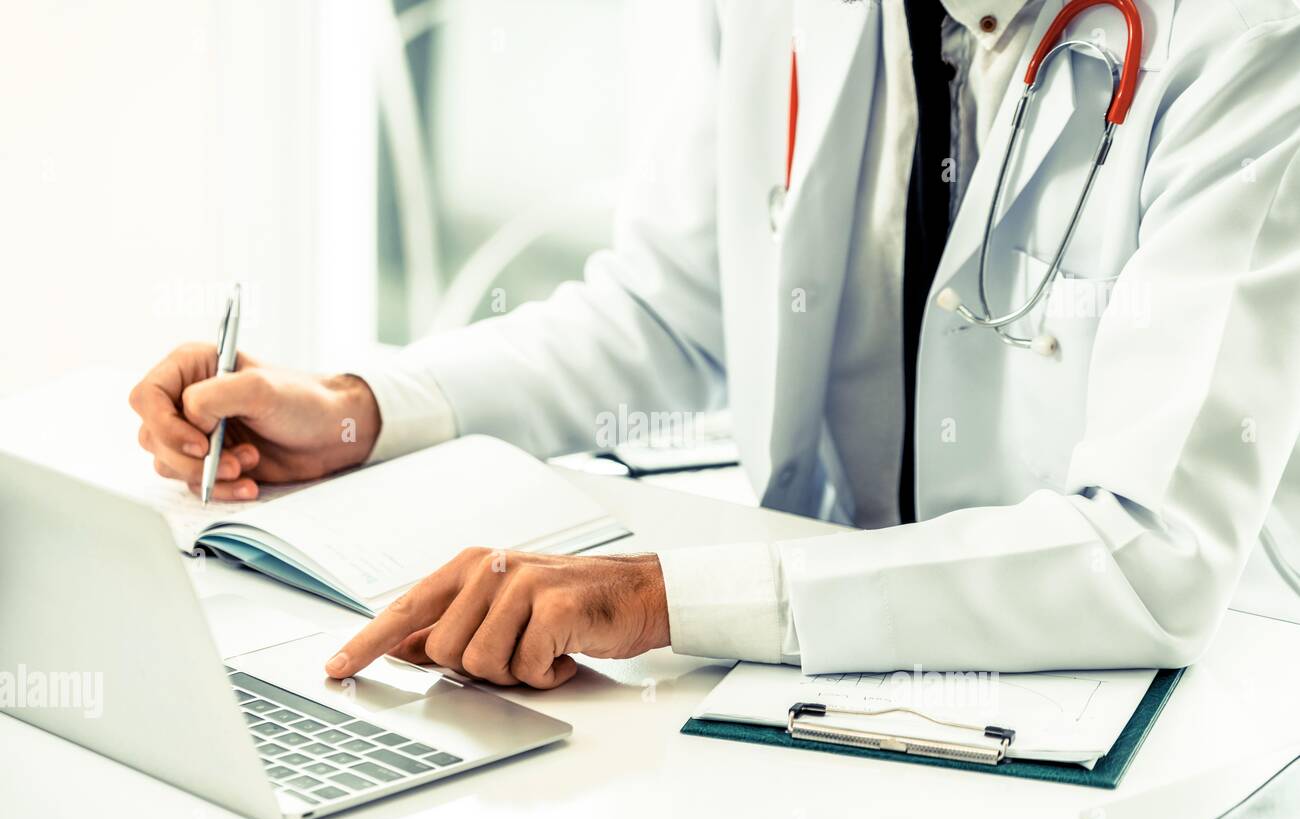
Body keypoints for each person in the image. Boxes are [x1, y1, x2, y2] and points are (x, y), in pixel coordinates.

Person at [130, 0, 1300, 689]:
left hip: (1150, 704)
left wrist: (660, 598)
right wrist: (362, 408)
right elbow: (668, 310)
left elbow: (1146, 553)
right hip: (830, 678)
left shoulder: (1250, 42)